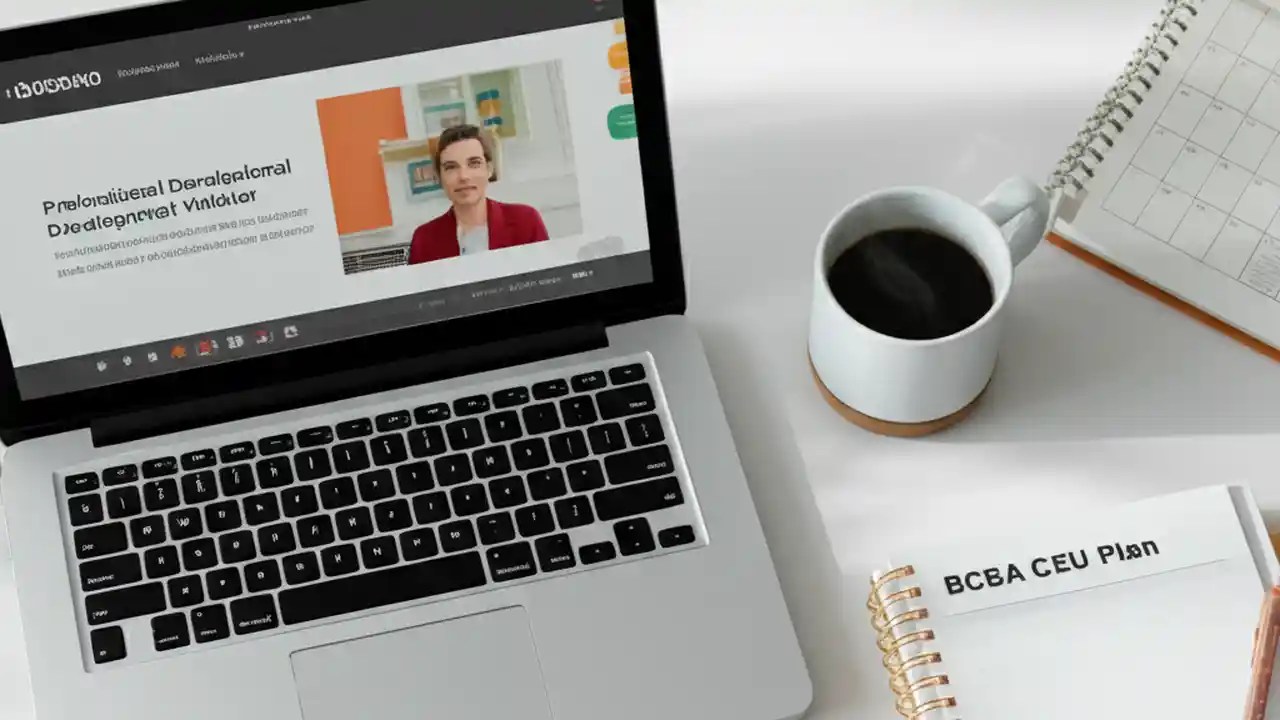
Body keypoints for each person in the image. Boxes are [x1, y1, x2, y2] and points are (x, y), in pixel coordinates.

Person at [408, 124, 549, 264]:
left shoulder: (525, 222)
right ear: (439, 177)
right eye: (451, 167)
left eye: (474, 164)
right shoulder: (424, 240)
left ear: (489, 170)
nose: (463, 176)